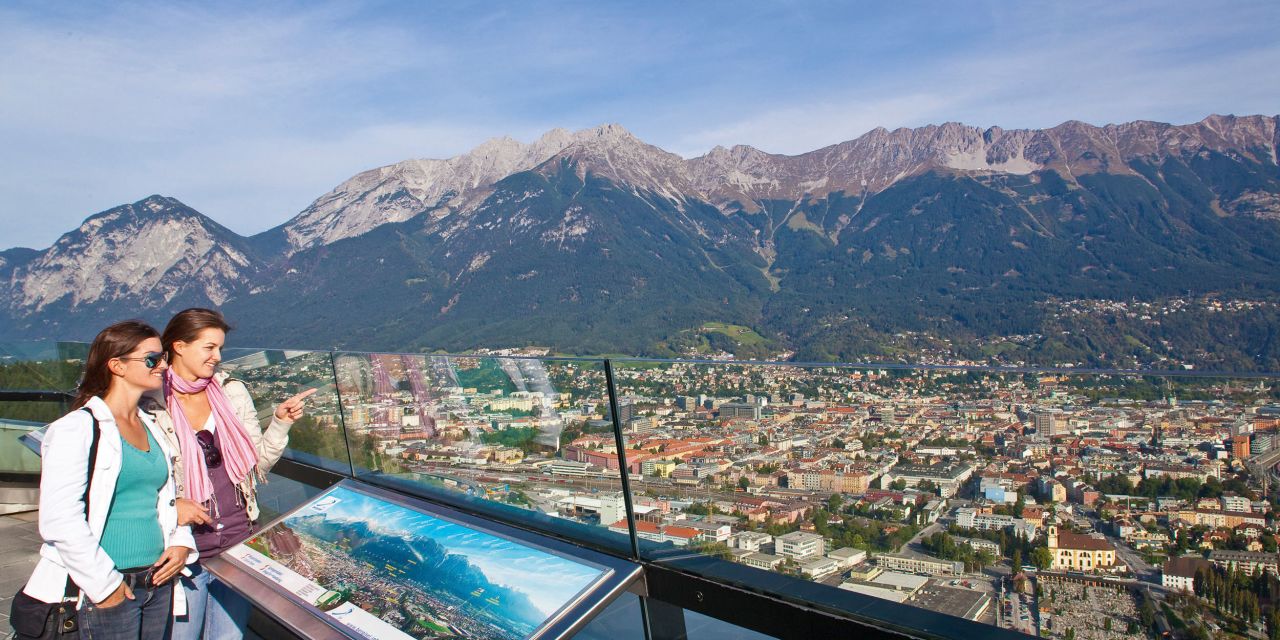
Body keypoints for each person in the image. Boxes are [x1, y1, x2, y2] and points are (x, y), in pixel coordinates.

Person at [147, 308, 314, 640]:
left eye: (220, 348)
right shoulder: (152, 401)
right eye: (209, 347)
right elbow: (138, 480)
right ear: (179, 346)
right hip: (184, 549)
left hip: (238, 544)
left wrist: (280, 423)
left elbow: (255, 467)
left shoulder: (231, 392)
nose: (217, 357)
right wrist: (171, 506)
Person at [20, 321, 195, 639]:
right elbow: (59, 519)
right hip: (104, 587)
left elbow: (165, 497)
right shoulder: (76, 428)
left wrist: (181, 541)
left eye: (164, 357)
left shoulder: (152, 425)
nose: (163, 365)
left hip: (156, 583)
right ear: (117, 366)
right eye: (152, 359)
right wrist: (106, 585)